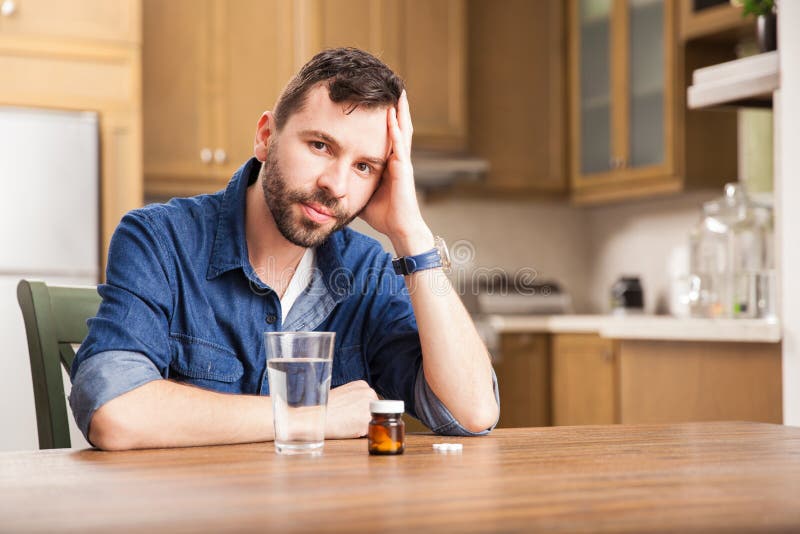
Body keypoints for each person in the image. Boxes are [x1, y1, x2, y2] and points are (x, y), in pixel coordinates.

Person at [70, 47, 499, 450]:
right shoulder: (159, 241)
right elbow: (115, 412)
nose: (337, 183)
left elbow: (472, 413)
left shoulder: (368, 272)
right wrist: (315, 416)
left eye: (364, 167)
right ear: (265, 137)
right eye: (320, 146)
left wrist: (413, 237)